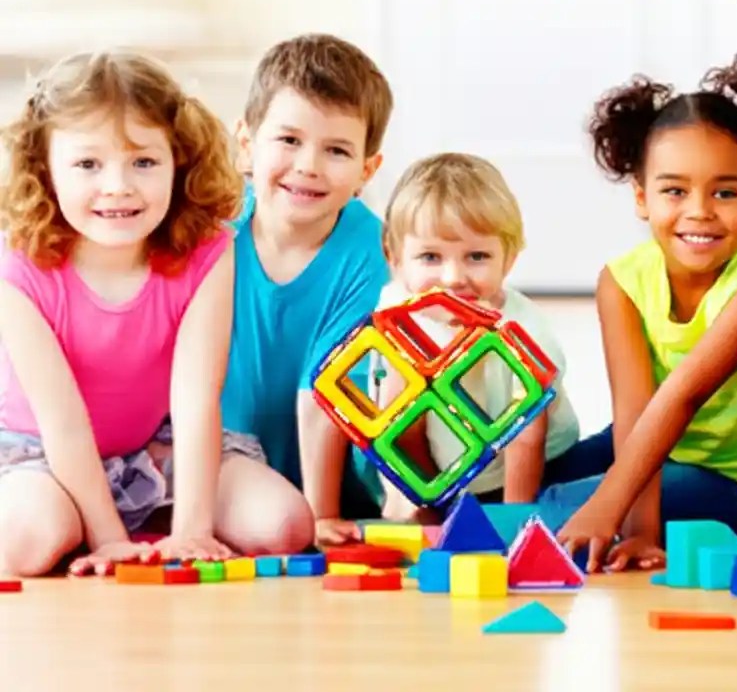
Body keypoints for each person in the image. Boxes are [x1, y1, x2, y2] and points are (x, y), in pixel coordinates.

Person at [0, 50, 312, 577]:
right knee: (30, 541)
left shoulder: (208, 251)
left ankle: (157, 522)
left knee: (284, 525)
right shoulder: (19, 268)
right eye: (87, 164)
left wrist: (194, 530)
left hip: (151, 450)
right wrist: (109, 542)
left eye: (144, 162)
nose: (118, 185)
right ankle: (95, 523)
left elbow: (195, 400)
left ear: (178, 161)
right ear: (45, 170)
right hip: (40, 456)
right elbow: (63, 424)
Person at [552, 50, 737, 572]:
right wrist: (632, 525)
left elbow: (681, 396)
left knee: (561, 509)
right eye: (674, 191)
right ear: (641, 197)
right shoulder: (620, 281)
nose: (699, 211)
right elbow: (634, 412)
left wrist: (630, 524)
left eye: (725, 192)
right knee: (543, 480)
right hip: (654, 445)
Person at [222, 33, 394, 546]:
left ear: (367, 169)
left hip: (330, 484)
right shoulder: (214, 228)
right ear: (247, 144)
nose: (309, 165)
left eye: (336, 150)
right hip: (224, 461)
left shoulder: (372, 252)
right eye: (289, 140)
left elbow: (324, 390)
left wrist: (321, 516)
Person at [372, 153, 581, 520]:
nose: (453, 278)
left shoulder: (525, 333)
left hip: (541, 467)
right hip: (455, 465)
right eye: (430, 257)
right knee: (397, 396)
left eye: (477, 256)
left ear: (509, 258)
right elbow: (400, 423)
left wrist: (515, 521)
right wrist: (430, 501)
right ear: (395, 258)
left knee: (554, 513)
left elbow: (526, 438)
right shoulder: (396, 305)